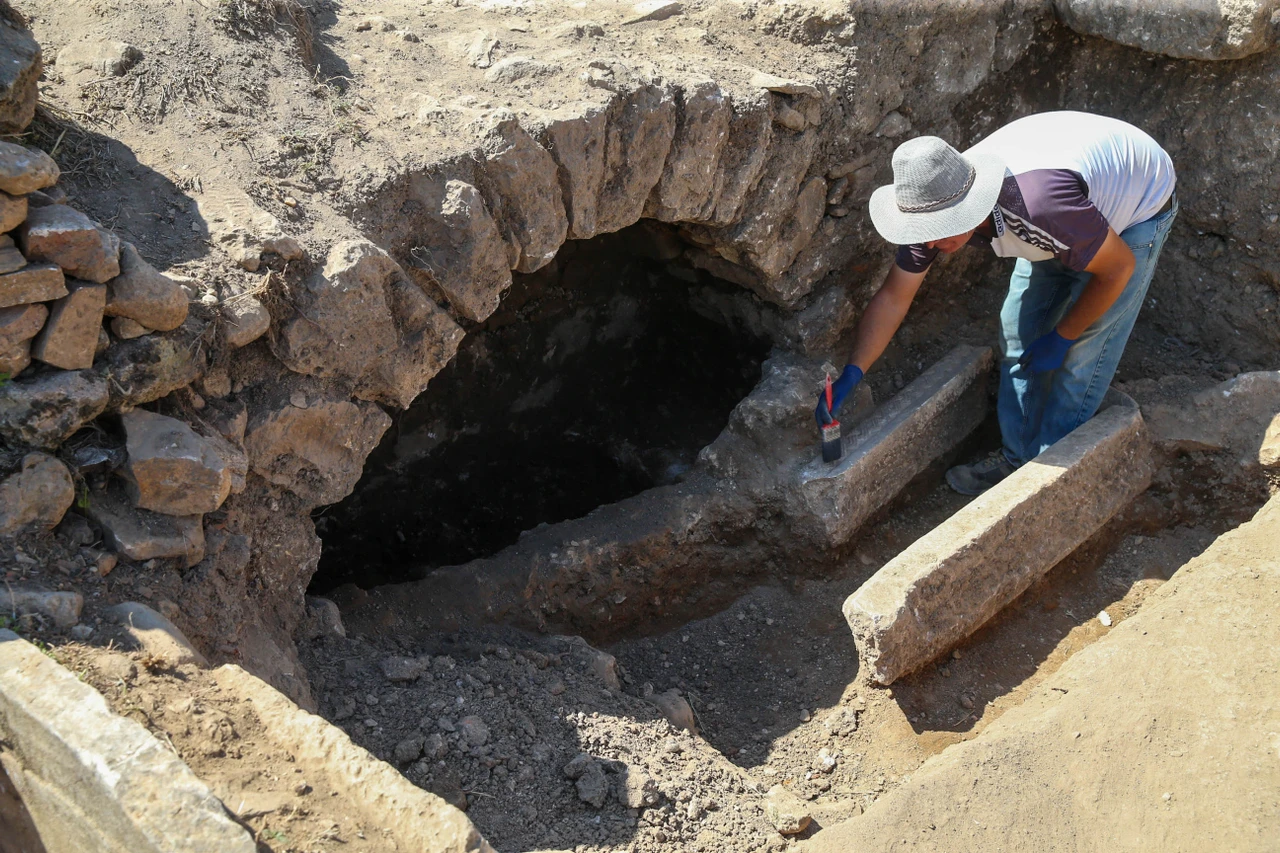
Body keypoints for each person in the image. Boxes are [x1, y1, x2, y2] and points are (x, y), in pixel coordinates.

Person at [816, 111, 1177, 495]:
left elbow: (1119, 268)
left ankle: (1050, 478)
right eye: (926, 234)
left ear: (972, 205)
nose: (933, 243)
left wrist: (1064, 336)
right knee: (1016, 332)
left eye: (942, 230)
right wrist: (854, 373)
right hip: (1069, 213)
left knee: (1083, 353)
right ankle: (1018, 459)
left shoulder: (1039, 207)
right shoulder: (929, 208)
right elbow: (893, 297)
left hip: (1136, 204)